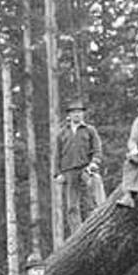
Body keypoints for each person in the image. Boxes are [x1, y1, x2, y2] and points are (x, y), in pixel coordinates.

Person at [54, 97, 106, 239]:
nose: (77, 114)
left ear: (83, 114)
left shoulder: (90, 131)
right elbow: (57, 155)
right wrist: (57, 174)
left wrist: (94, 164)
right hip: (69, 172)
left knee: (90, 202)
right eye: (74, 112)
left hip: (85, 170)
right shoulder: (62, 133)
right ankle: (76, 235)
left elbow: (97, 150)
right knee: (72, 206)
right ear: (69, 115)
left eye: (79, 112)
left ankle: (93, 231)